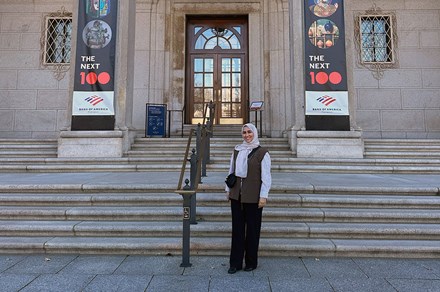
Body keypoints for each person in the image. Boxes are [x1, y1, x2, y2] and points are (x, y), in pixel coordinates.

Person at [225, 123, 272, 274]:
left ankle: (251, 261)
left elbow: (266, 177)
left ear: (255, 133)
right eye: (244, 132)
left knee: (252, 230)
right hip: (237, 196)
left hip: (254, 197)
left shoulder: (262, 153)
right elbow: (231, 171)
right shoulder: (237, 150)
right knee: (237, 230)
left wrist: (263, 196)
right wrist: (228, 190)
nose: (246, 135)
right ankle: (235, 263)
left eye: (249, 132)